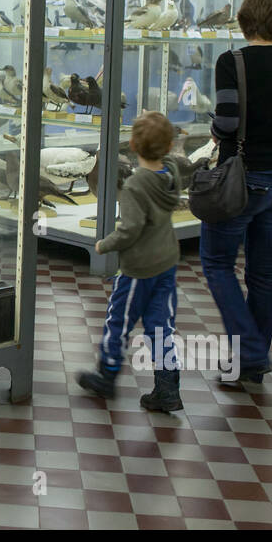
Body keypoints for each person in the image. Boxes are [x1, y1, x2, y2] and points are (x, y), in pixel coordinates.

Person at [200, 0, 272, 385]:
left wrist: (215, 129)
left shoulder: (230, 62)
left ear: (244, 19)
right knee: (264, 274)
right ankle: (251, 364)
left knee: (217, 264)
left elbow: (228, 122)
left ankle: (248, 350)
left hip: (242, 180)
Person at [77, 111, 198, 413]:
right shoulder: (170, 175)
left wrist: (105, 244)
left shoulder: (134, 186)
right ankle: (168, 389)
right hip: (167, 262)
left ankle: (107, 375)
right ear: (169, 146)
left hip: (137, 270)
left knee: (118, 321)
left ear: (131, 145)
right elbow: (166, 158)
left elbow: (129, 230)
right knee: (162, 326)